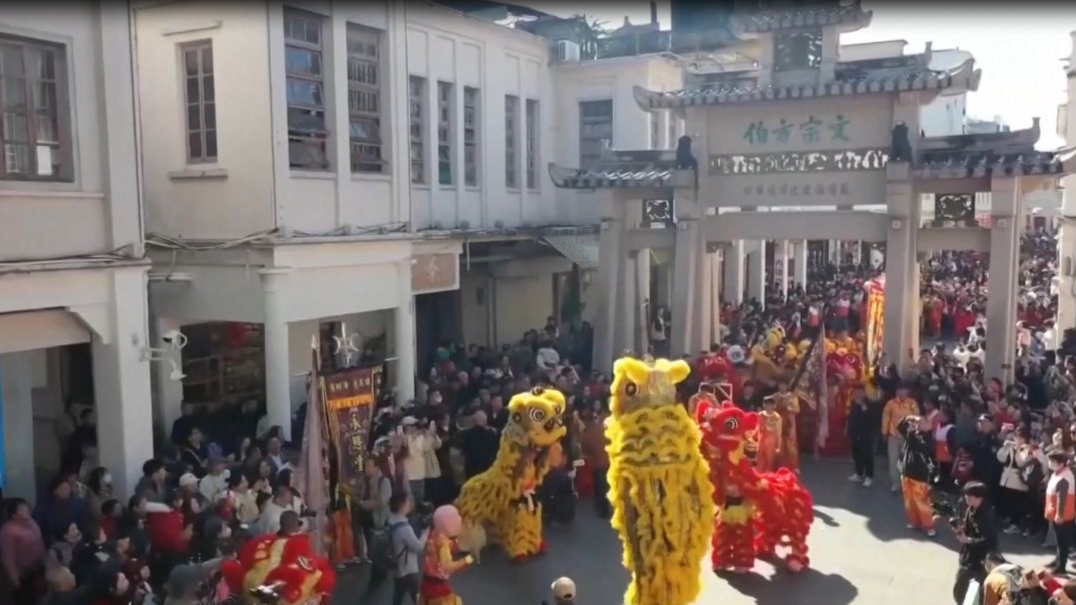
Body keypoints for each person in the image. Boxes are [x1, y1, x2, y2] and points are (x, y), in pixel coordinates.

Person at [952, 481, 999, 604]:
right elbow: (968, 529)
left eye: (967, 496)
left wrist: (968, 540)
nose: (965, 498)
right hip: (969, 555)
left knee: (968, 586)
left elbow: (987, 539)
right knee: (961, 585)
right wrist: (960, 530)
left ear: (977, 497)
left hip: (982, 558)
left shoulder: (988, 515)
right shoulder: (970, 509)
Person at [1, 498, 47, 605]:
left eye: (26, 506)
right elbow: (8, 557)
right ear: (13, 514)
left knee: (39, 596)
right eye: (21, 508)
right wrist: (14, 578)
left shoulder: (31, 521)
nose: (26, 509)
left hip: (37, 568)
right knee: (25, 599)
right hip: (22, 573)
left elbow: (39, 541)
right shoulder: (8, 531)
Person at [898, 415, 937, 537]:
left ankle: (929, 526)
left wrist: (911, 434)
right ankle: (914, 521)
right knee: (909, 501)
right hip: (906, 472)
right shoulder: (912, 433)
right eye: (916, 422)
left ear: (929, 425)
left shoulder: (929, 438)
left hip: (919, 475)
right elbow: (899, 427)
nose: (917, 424)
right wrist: (908, 418)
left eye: (921, 422)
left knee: (922, 502)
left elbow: (923, 448)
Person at [387, 493, 424, 605]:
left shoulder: (389, 521)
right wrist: (425, 534)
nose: (410, 504)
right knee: (417, 598)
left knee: (398, 595)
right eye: (408, 502)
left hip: (396, 564)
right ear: (402, 505)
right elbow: (418, 547)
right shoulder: (404, 528)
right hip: (408, 568)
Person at [1045, 449, 1075, 575]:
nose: (1050, 463)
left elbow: (1062, 498)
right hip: (1056, 511)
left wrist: (1059, 514)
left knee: (1062, 542)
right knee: (1059, 540)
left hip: (1063, 515)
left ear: (1062, 463)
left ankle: (1061, 566)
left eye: (1053, 461)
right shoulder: (1058, 473)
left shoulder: (1064, 478)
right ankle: (1057, 561)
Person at [458, 411, 500, 480]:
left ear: (473, 421)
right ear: (485, 421)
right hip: (488, 471)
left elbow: (462, 451)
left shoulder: (465, 435)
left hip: (472, 471)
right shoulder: (492, 435)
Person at [846, 386, 874, 486]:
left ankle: (869, 476)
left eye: (859, 392)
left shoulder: (867, 404)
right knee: (856, 454)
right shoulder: (853, 404)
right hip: (854, 433)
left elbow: (869, 420)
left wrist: (864, 409)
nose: (856, 395)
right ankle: (859, 473)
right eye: (855, 393)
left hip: (864, 435)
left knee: (866, 456)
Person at [756, 396, 782, 473]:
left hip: (771, 441)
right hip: (761, 439)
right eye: (766, 404)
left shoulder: (777, 417)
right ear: (763, 405)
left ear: (774, 405)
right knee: (760, 459)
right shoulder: (760, 415)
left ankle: (768, 477)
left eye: (770, 404)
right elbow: (757, 428)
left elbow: (779, 432)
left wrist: (779, 446)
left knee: (769, 460)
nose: (768, 406)